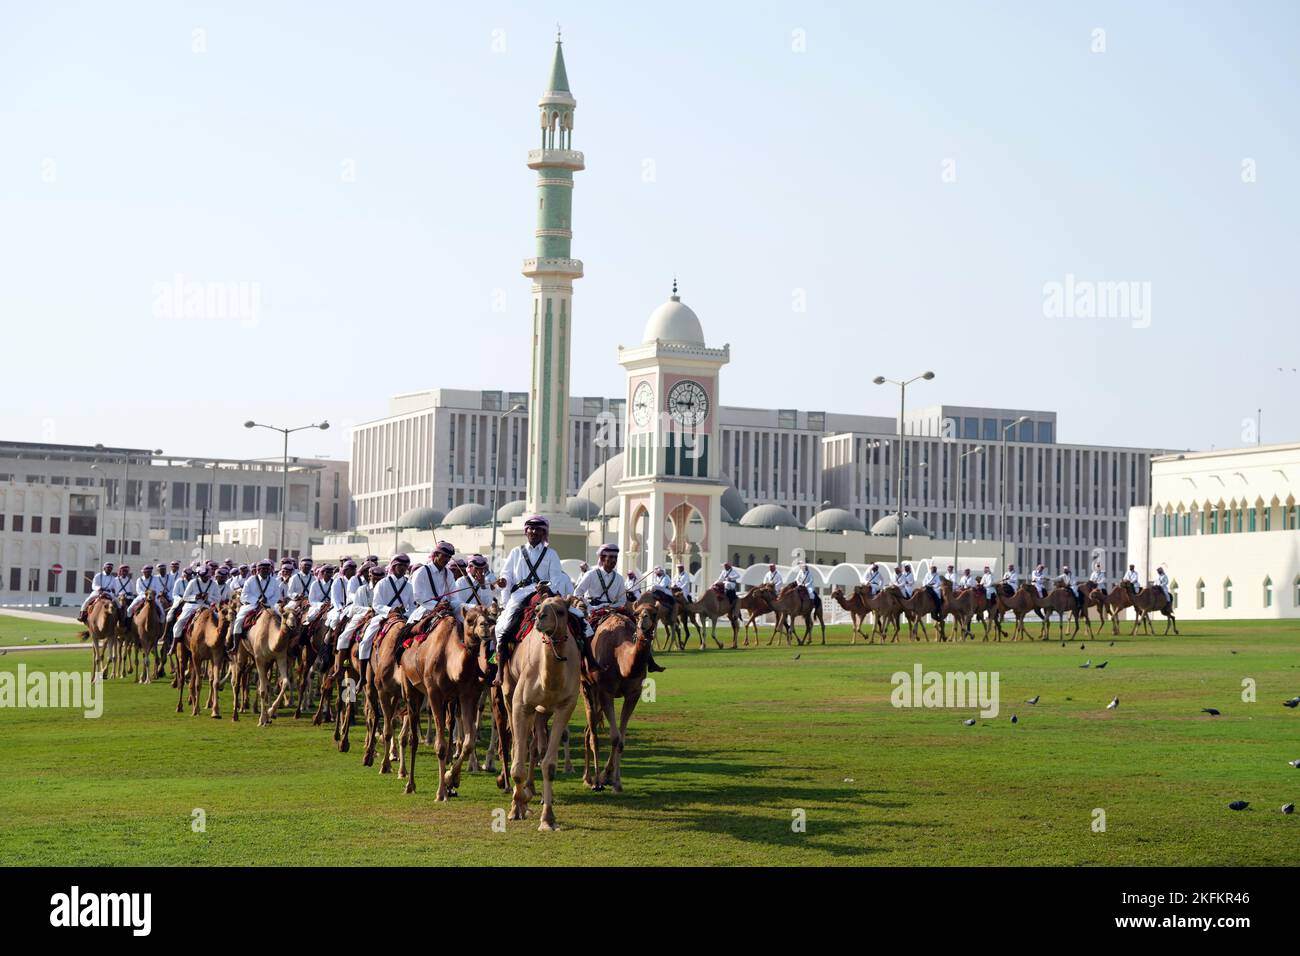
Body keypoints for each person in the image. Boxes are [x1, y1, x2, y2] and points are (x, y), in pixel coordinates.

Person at [491, 516, 571, 679]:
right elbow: (507, 574)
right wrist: (503, 581)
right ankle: (500, 669)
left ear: (544, 532)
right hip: (520, 596)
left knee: (576, 619)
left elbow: (556, 579)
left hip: (543, 596)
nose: (533, 532)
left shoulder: (551, 554)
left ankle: (584, 663)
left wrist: (548, 587)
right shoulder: (516, 552)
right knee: (502, 627)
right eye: (530, 529)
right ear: (526, 531)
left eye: (538, 529)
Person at [358, 554, 418, 686]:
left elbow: (413, 606)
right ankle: (362, 676)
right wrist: (390, 611)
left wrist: (406, 614)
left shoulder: (408, 586)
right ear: (393, 566)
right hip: (383, 617)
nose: (403, 569)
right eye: (400, 566)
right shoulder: (382, 583)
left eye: (405, 566)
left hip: (403, 618)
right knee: (366, 639)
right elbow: (377, 605)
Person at [230, 559, 283, 651]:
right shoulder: (251, 580)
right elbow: (244, 595)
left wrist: (267, 601)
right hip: (252, 606)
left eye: (267, 569)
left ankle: (285, 645)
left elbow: (277, 595)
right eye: (263, 569)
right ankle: (235, 645)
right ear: (258, 570)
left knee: (282, 619)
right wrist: (257, 600)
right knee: (239, 620)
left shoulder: (274, 581)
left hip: (269, 606)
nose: (266, 571)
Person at [408, 541, 458, 628]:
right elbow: (418, 596)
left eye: (449, 557)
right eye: (444, 556)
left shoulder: (449, 573)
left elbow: (454, 596)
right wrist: (436, 605)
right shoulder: (421, 572)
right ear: (435, 555)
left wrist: (449, 604)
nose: (447, 560)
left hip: (446, 610)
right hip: (426, 610)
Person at [173, 564, 218, 644]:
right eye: (203, 577)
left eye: (206, 577)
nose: (205, 579)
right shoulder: (193, 582)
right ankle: (174, 643)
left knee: (220, 621)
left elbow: (218, 598)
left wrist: (208, 598)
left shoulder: (213, 584)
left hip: (206, 607)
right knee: (180, 622)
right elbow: (185, 597)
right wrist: (195, 597)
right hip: (191, 606)